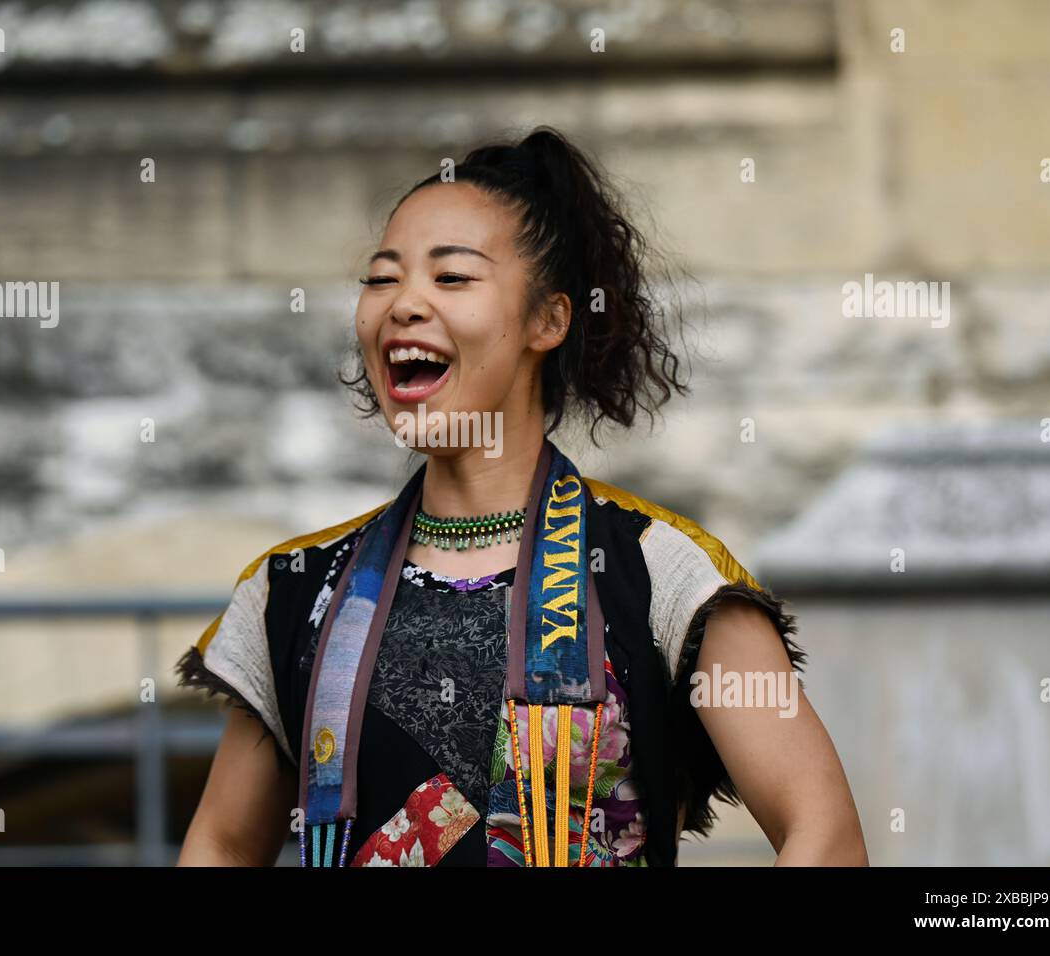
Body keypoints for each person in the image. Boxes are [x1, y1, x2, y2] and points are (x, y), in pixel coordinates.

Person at [176, 126, 867, 867]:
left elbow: (823, 833)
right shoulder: (295, 592)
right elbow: (220, 842)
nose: (404, 304)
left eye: (451, 278)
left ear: (550, 319)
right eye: (382, 280)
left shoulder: (661, 575)